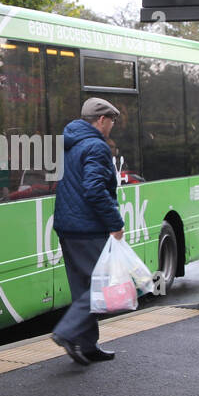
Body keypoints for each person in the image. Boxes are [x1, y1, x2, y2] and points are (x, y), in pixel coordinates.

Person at [51, 97, 124, 366]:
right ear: (101, 120)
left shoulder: (70, 143)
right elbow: (94, 189)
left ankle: (88, 345)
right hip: (88, 228)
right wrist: (115, 222)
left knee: (84, 286)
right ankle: (66, 333)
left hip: (67, 226)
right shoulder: (96, 146)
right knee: (101, 287)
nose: (113, 126)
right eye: (112, 121)